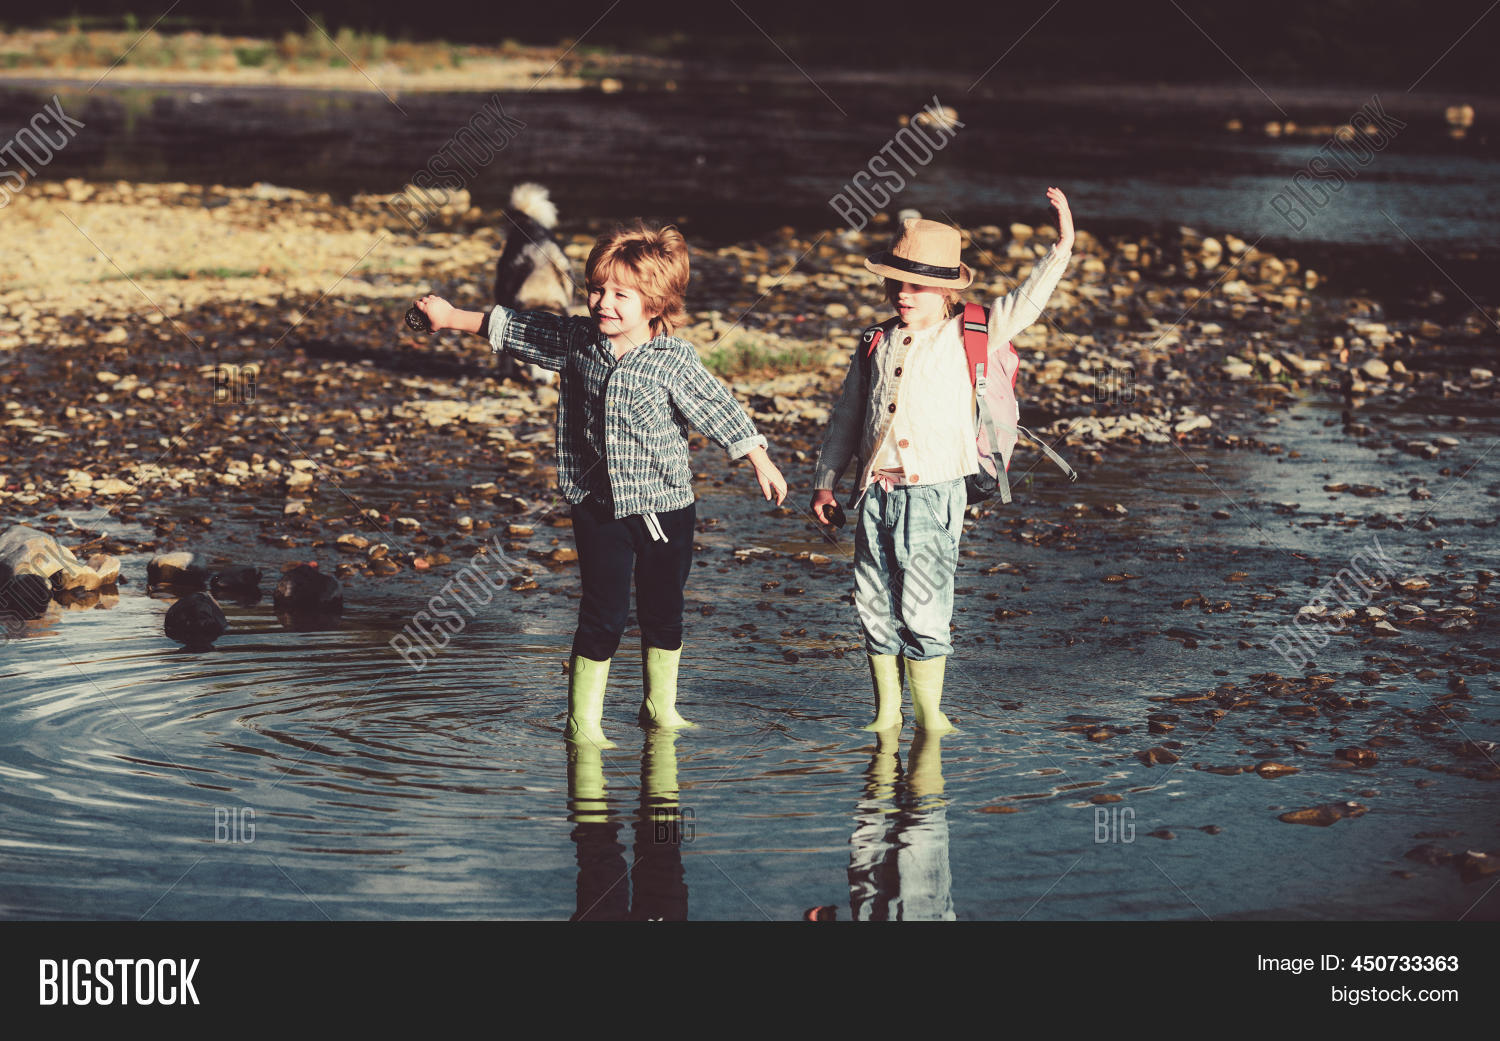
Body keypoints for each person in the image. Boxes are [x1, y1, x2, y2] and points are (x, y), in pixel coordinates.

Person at [414, 221, 788, 748]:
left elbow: (715, 405)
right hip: (596, 506)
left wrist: (757, 456)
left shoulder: (673, 360)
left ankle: (661, 707)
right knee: (603, 613)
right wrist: (451, 318)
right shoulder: (576, 341)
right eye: (596, 289)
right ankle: (582, 722)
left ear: (656, 303)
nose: (603, 303)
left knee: (664, 609)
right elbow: (519, 330)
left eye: (620, 294)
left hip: (665, 507)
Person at [811, 188, 1075, 733]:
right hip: (873, 493)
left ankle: (932, 717)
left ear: (947, 291)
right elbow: (845, 416)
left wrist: (1061, 246)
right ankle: (886, 715)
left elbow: (1028, 301)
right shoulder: (875, 341)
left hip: (934, 492)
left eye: (917, 286)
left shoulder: (971, 331)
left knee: (925, 604)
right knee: (871, 599)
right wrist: (825, 483)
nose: (903, 294)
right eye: (896, 283)